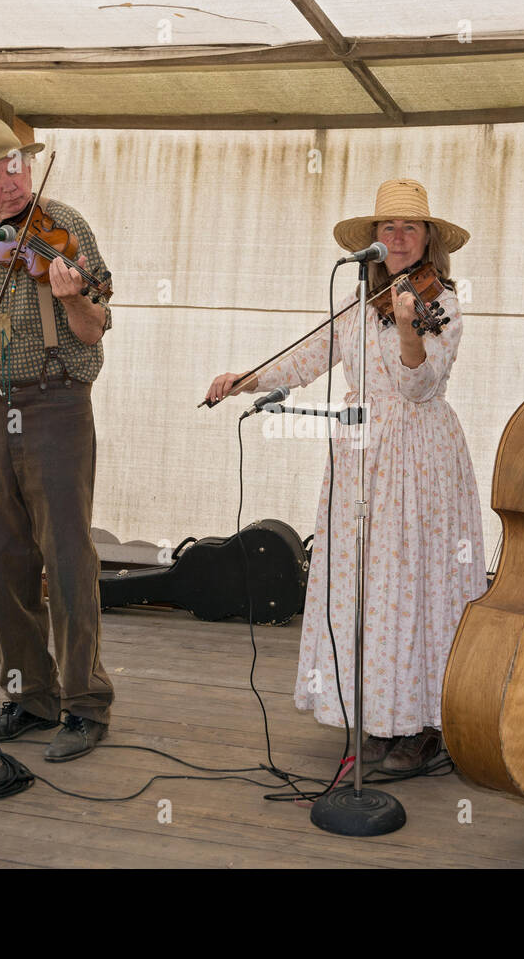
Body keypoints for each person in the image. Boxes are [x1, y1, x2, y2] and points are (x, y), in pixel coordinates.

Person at [206, 179, 488, 771]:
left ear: (429, 240)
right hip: (362, 453)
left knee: (416, 584)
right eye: (388, 228)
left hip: (420, 456)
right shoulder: (357, 301)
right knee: (367, 585)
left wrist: (410, 327)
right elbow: (307, 358)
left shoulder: (444, 304)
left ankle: (426, 723)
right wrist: (247, 379)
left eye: (411, 228)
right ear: (374, 240)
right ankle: (378, 712)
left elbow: (419, 385)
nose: (399, 237)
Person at [0, 117, 115, 762]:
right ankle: (27, 693)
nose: (8, 182)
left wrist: (71, 301)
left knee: (66, 555)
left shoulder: (67, 228)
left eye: (15, 166)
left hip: (55, 403)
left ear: (28, 166)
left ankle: (84, 702)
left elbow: (94, 328)